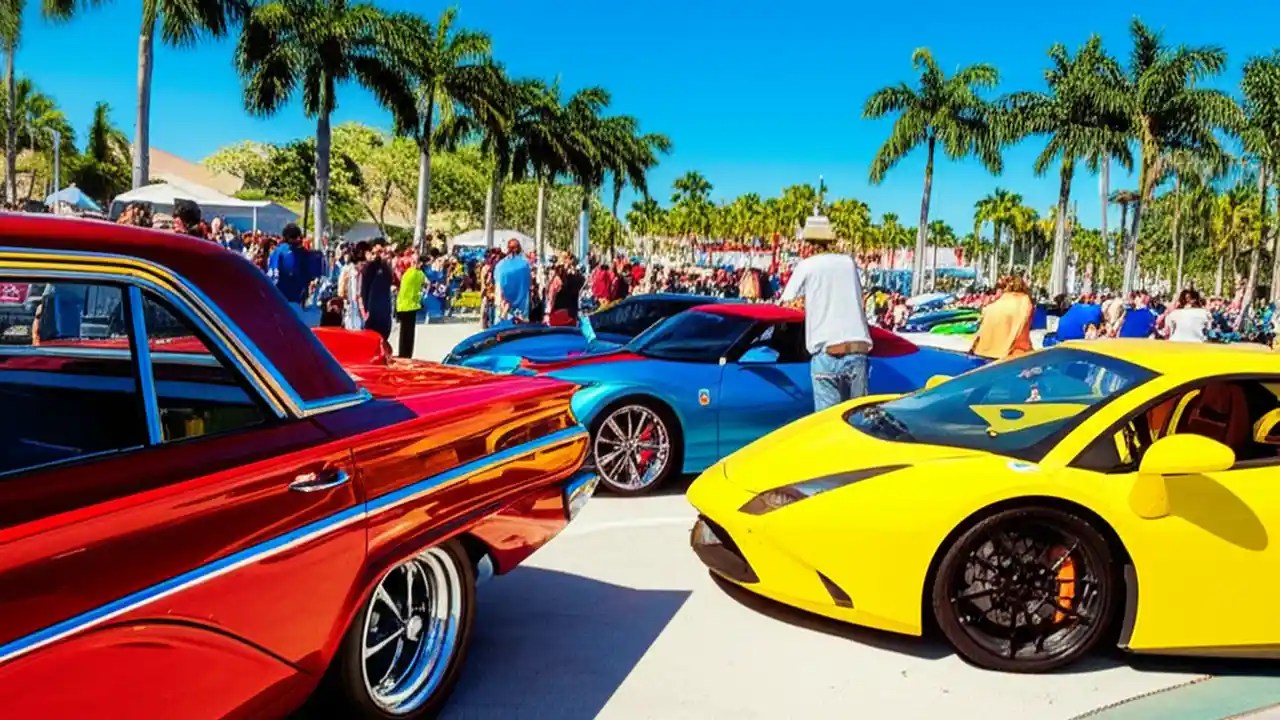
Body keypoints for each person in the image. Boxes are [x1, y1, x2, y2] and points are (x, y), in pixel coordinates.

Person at [780, 241, 872, 412]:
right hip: (858, 351)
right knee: (858, 420)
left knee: (828, 422)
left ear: (810, 245)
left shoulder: (806, 265)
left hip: (826, 353)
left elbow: (786, 300)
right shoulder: (848, 263)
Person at [268, 223, 321, 326]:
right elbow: (313, 276)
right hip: (294, 301)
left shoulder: (276, 252)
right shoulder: (302, 254)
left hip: (276, 301)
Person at [971, 275, 1034, 360]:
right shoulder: (1024, 300)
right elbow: (1022, 325)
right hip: (1007, 354)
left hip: (981, 351)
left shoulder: (999, 301)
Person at [360, 239, 394, 340]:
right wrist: (366, 308)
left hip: (385, 308)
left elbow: (390, 281)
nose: (378, 255)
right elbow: (364, 289)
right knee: (372, 335)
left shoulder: (386, 268)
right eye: (375, 252)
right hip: (373, 309)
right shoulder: (369, 267)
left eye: (381, 252)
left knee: (384, 334)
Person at [494, 238, 531, 323]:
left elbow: (497, 284)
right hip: (521, 309)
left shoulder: (500, 265)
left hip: (503, 307)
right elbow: (529, 284)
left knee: (501, 331)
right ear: (519, 249)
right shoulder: (525, 265)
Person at [395, 256, 426, 358]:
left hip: (404, 305)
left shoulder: (407, 274)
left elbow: (402, 291)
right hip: (413, 305)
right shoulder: (420, 274)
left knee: (403, 333)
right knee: (410, 332)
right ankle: (408, 353)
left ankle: (402, 353)